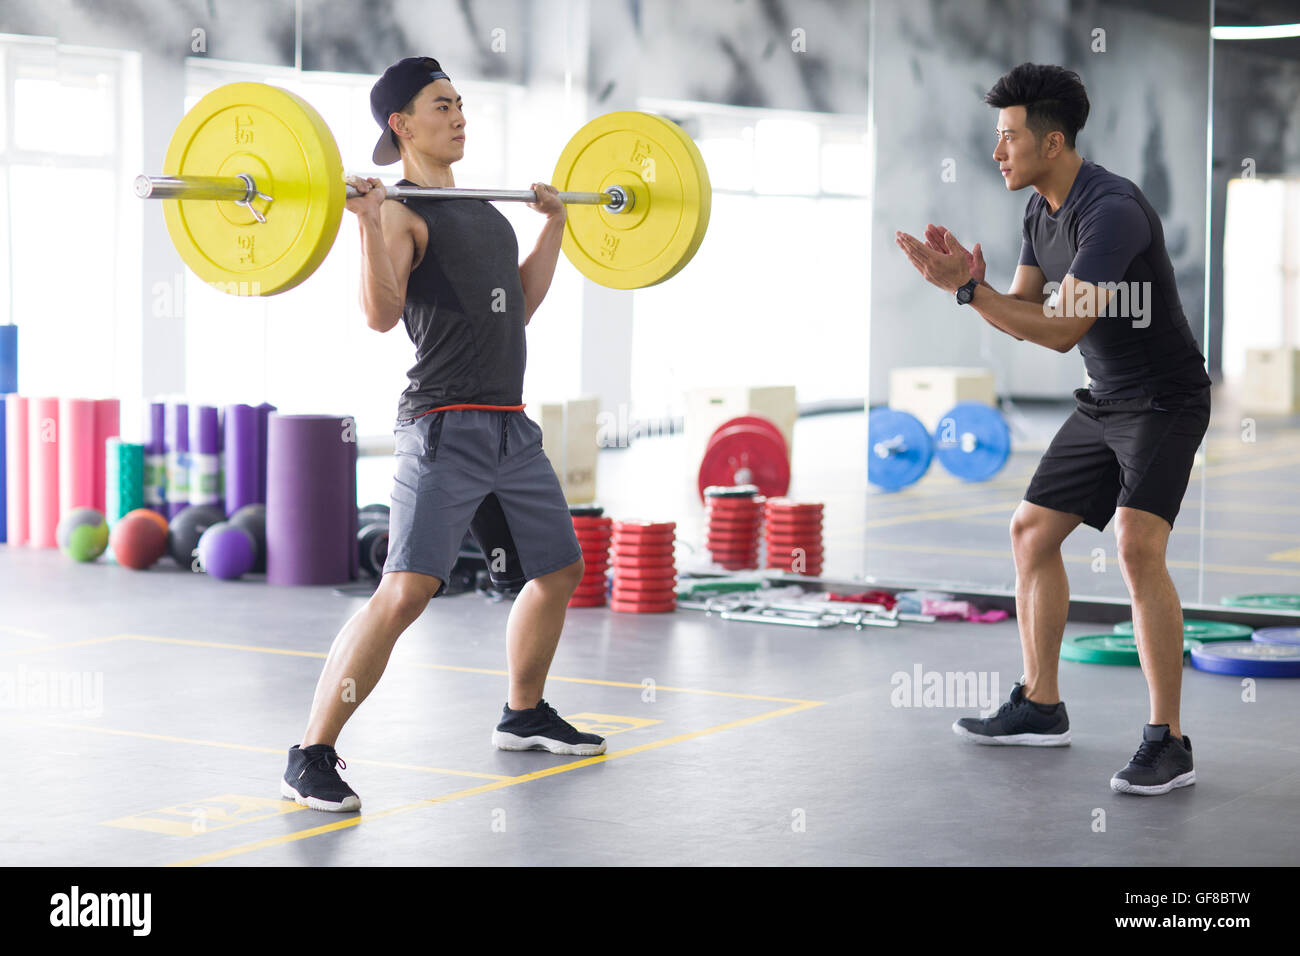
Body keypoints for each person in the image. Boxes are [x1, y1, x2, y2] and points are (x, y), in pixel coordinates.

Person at [282, 56, 604, 813]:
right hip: (442, 424)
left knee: (558, 570)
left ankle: (523, 714)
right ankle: (311, 753)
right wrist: (365, 224)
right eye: (441, 105)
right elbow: (380, 314)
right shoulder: (400, 209)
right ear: (401, 124)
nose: (459, 115)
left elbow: (515, 307)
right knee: (404, 593)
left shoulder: (487, 213)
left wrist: (553, 228)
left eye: (461, 103)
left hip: (509, 425)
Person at [895, 63, 1211, 796]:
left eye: (1008, 138)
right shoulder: (1038, 212)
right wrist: (969, 284)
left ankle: (1170, 741)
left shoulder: (1112, 211)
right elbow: (1025, 313)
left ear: (1054, 140)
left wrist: (969, 294)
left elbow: (1063, 330)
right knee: (1031, 533)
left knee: (1137, 544)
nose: (997, 152)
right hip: (1106, 398)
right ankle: (1040, 704)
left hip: (1164, 400)